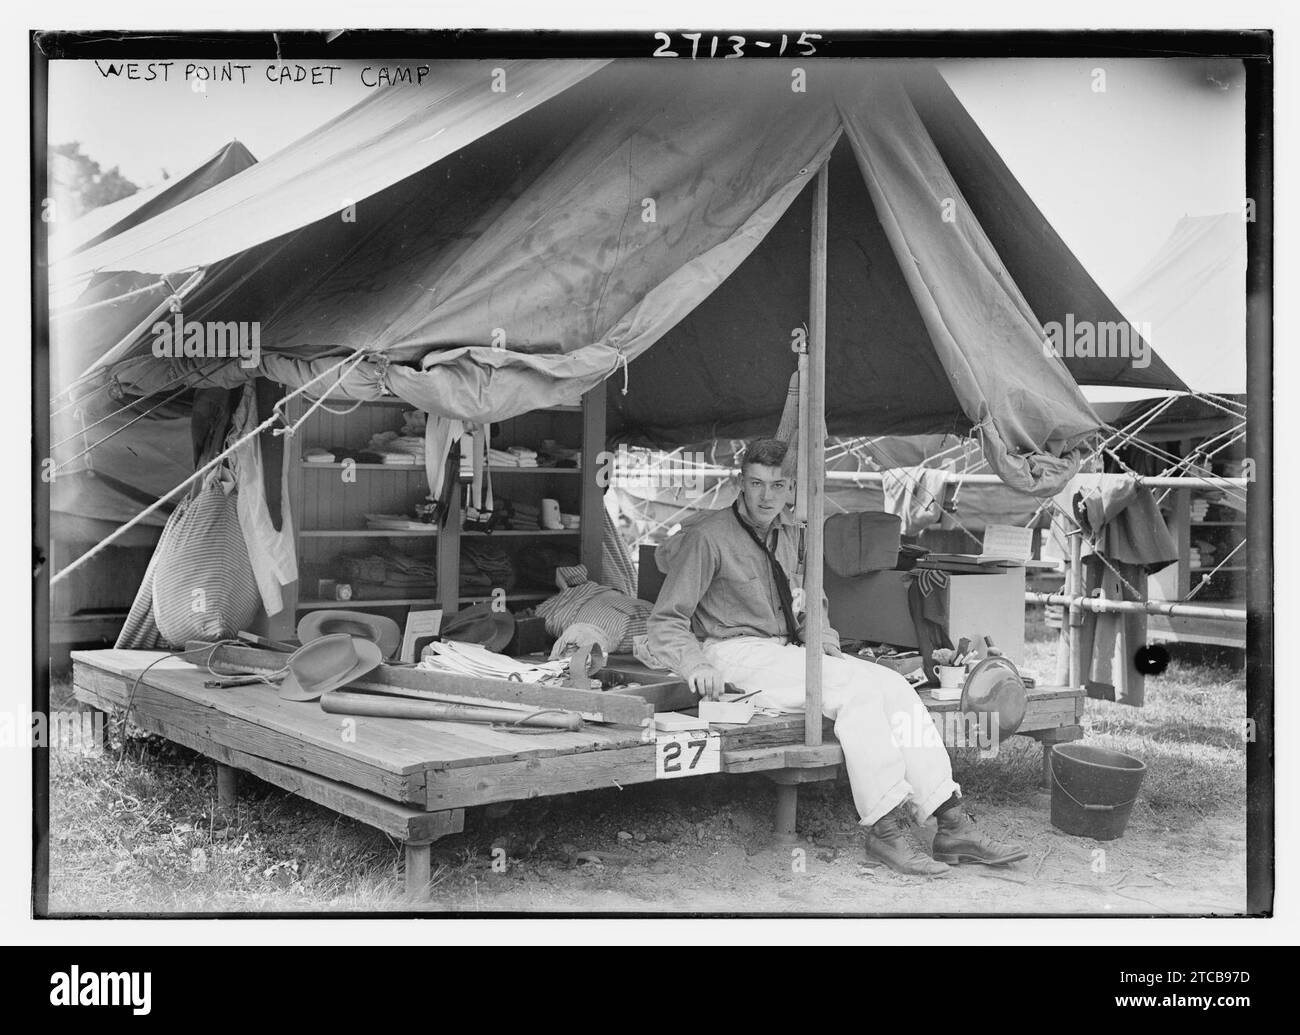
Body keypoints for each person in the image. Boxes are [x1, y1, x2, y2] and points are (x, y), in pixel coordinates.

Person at [647, 437, 1027, 876]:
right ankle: (884, 833)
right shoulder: (708, 537)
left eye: (777, 485)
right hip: (731, 651)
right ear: (740, 484)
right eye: (756, 484)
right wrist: (695, 665)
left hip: (787, 650)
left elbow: (814, 600)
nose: (766, 496)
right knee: (855, 693)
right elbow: (665, 622)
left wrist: (824, 639)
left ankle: (951, 822)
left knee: (894, 685)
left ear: (790, 488)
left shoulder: (792, 531)